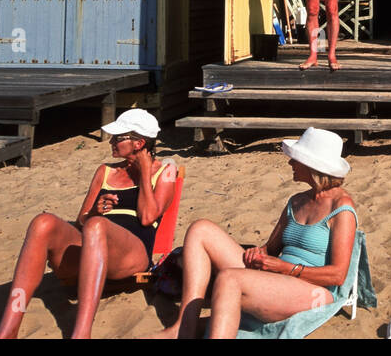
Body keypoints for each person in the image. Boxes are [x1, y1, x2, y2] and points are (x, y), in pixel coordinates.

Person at [150, 127, 358, 339]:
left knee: (229, 279)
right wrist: (258, 254)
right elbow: (270, 249)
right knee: (200, 229)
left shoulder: (341, 208)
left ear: (312, 164)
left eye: (295, 159)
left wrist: (286, 267)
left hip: (313, 290)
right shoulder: (297, 201)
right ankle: (185, 327)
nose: (290, 163)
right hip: (278, 278)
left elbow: (337, 275)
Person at [0, 108, 176, 339]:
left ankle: (81, 333)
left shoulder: (164, 172)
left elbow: (148, 217)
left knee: (97, 226)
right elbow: (82, 220)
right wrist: (94, 211)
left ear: (139, 143)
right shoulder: (105, 171)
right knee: (42, 222)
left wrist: (144, 172)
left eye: (118, 138)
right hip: (93, 244)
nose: (111, 141)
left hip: (132, 254)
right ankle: (8, 328)